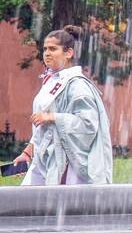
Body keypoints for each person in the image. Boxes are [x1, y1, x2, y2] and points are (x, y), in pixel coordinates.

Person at [10, 25, 113, 186]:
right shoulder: (51, 81)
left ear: (68, 53)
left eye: (53, 49)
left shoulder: (77, 84)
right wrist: (27, 153)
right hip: (45, 158)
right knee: (29, 200)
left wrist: (53, 117)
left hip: (68, 163)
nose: (47, 53)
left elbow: (88, 124)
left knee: (59, 201)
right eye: (45, 49)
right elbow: (42, 129)